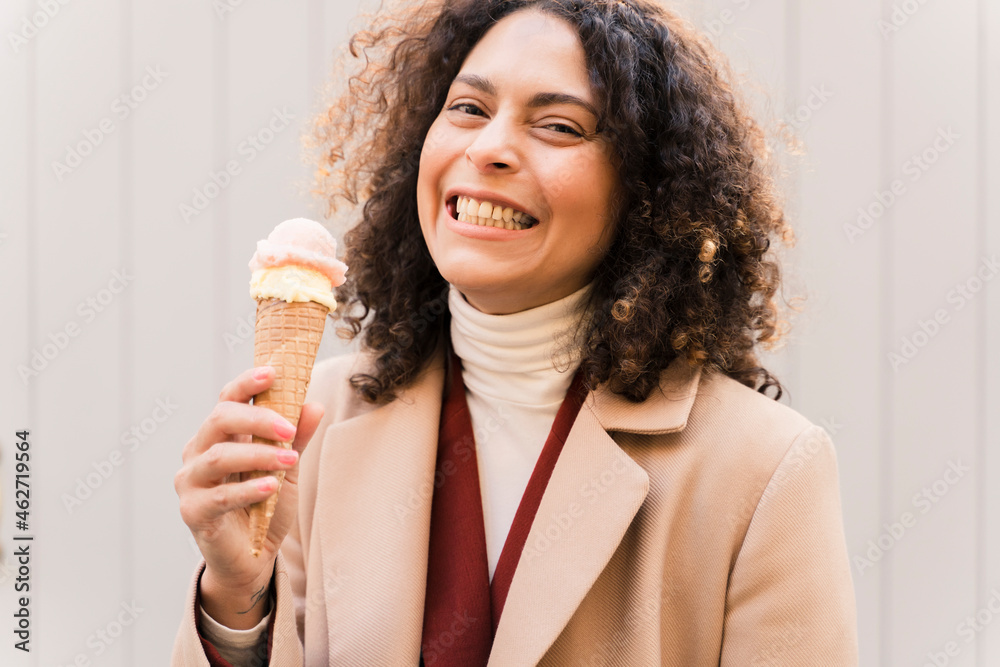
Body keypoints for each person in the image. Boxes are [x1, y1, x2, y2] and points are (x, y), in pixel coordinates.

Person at [172, 0, 859, 664]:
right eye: (467, 108)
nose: (490, 147)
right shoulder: (312, 425)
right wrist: (236, 600)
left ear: (646, 193)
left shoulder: (766, 470)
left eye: (559, 126)